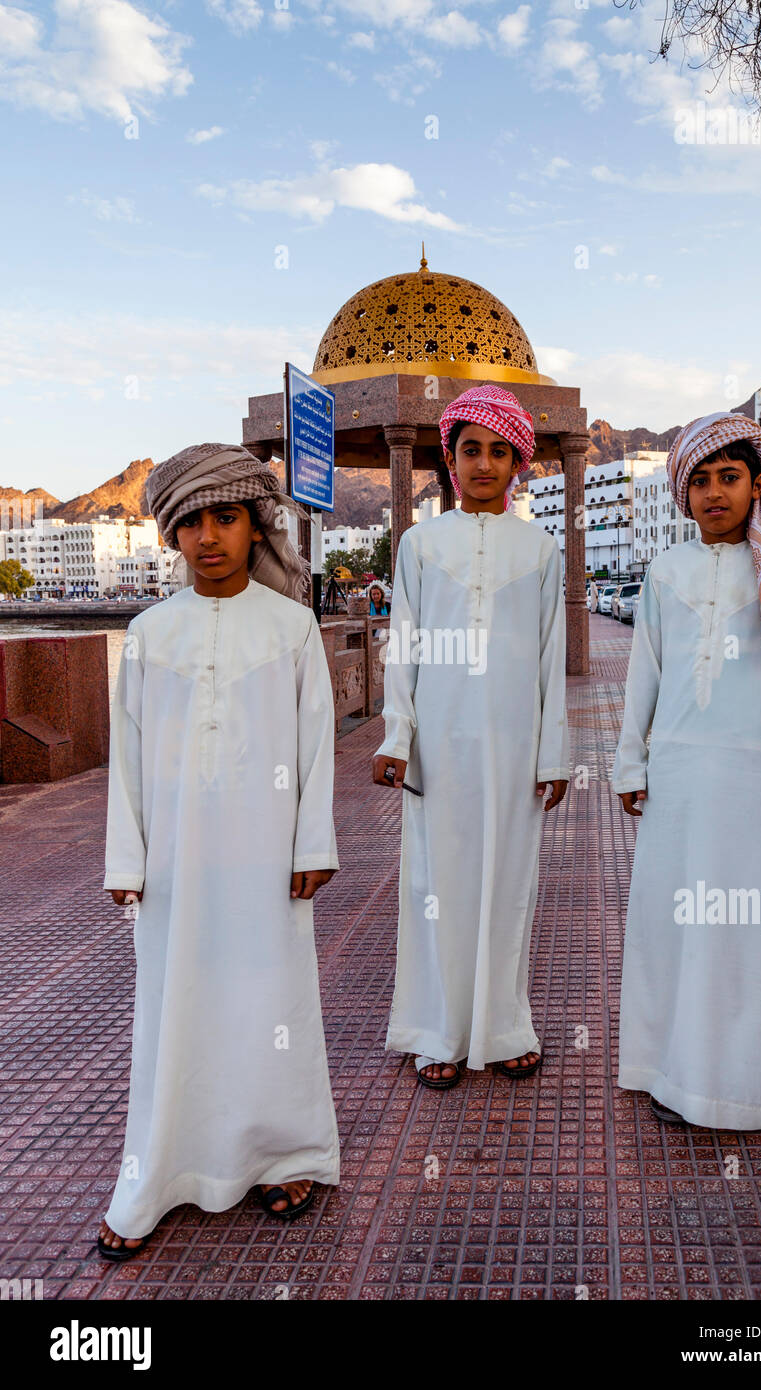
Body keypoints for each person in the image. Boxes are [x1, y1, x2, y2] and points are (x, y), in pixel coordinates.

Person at [98, 443, 340, 1259]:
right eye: (192, 522)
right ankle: (163, 1174)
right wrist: (126, 864)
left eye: (225, 519)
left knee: (268, 1004)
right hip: (174, 868)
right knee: (176, 1009)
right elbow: (126, 765)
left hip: (267, 860)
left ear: (253, 526)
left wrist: (314, 843)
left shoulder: (293, 627)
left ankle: (282, 1153)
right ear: (172, 536)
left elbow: (314, 750)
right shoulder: (148, 633)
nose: (209, 537)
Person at [613, 412, 761, 1130]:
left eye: (728, 478)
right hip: (675, 783)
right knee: (668, 928)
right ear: (683, 493)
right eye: (699, 480)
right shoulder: (666, 572)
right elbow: (645, 675)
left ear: (757, 485)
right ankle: (662, 1068)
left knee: (738, 935)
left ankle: (730, 1088)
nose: (714, 493)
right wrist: (629, 763)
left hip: (752, 788)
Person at [372, 385, 571, 1089]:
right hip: (440, 747)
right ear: (451, 459)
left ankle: (505, 1026)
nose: (484, 464)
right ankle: (439, 1032)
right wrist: (398, 737)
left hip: (515, 748)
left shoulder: (541, 549)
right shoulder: (420, 545)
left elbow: (550, 661)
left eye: (498, 452)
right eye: (470, 450)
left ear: (517, 462)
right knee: (436, 888)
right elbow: (405, 648)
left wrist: (553, 755)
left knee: (509, 888)